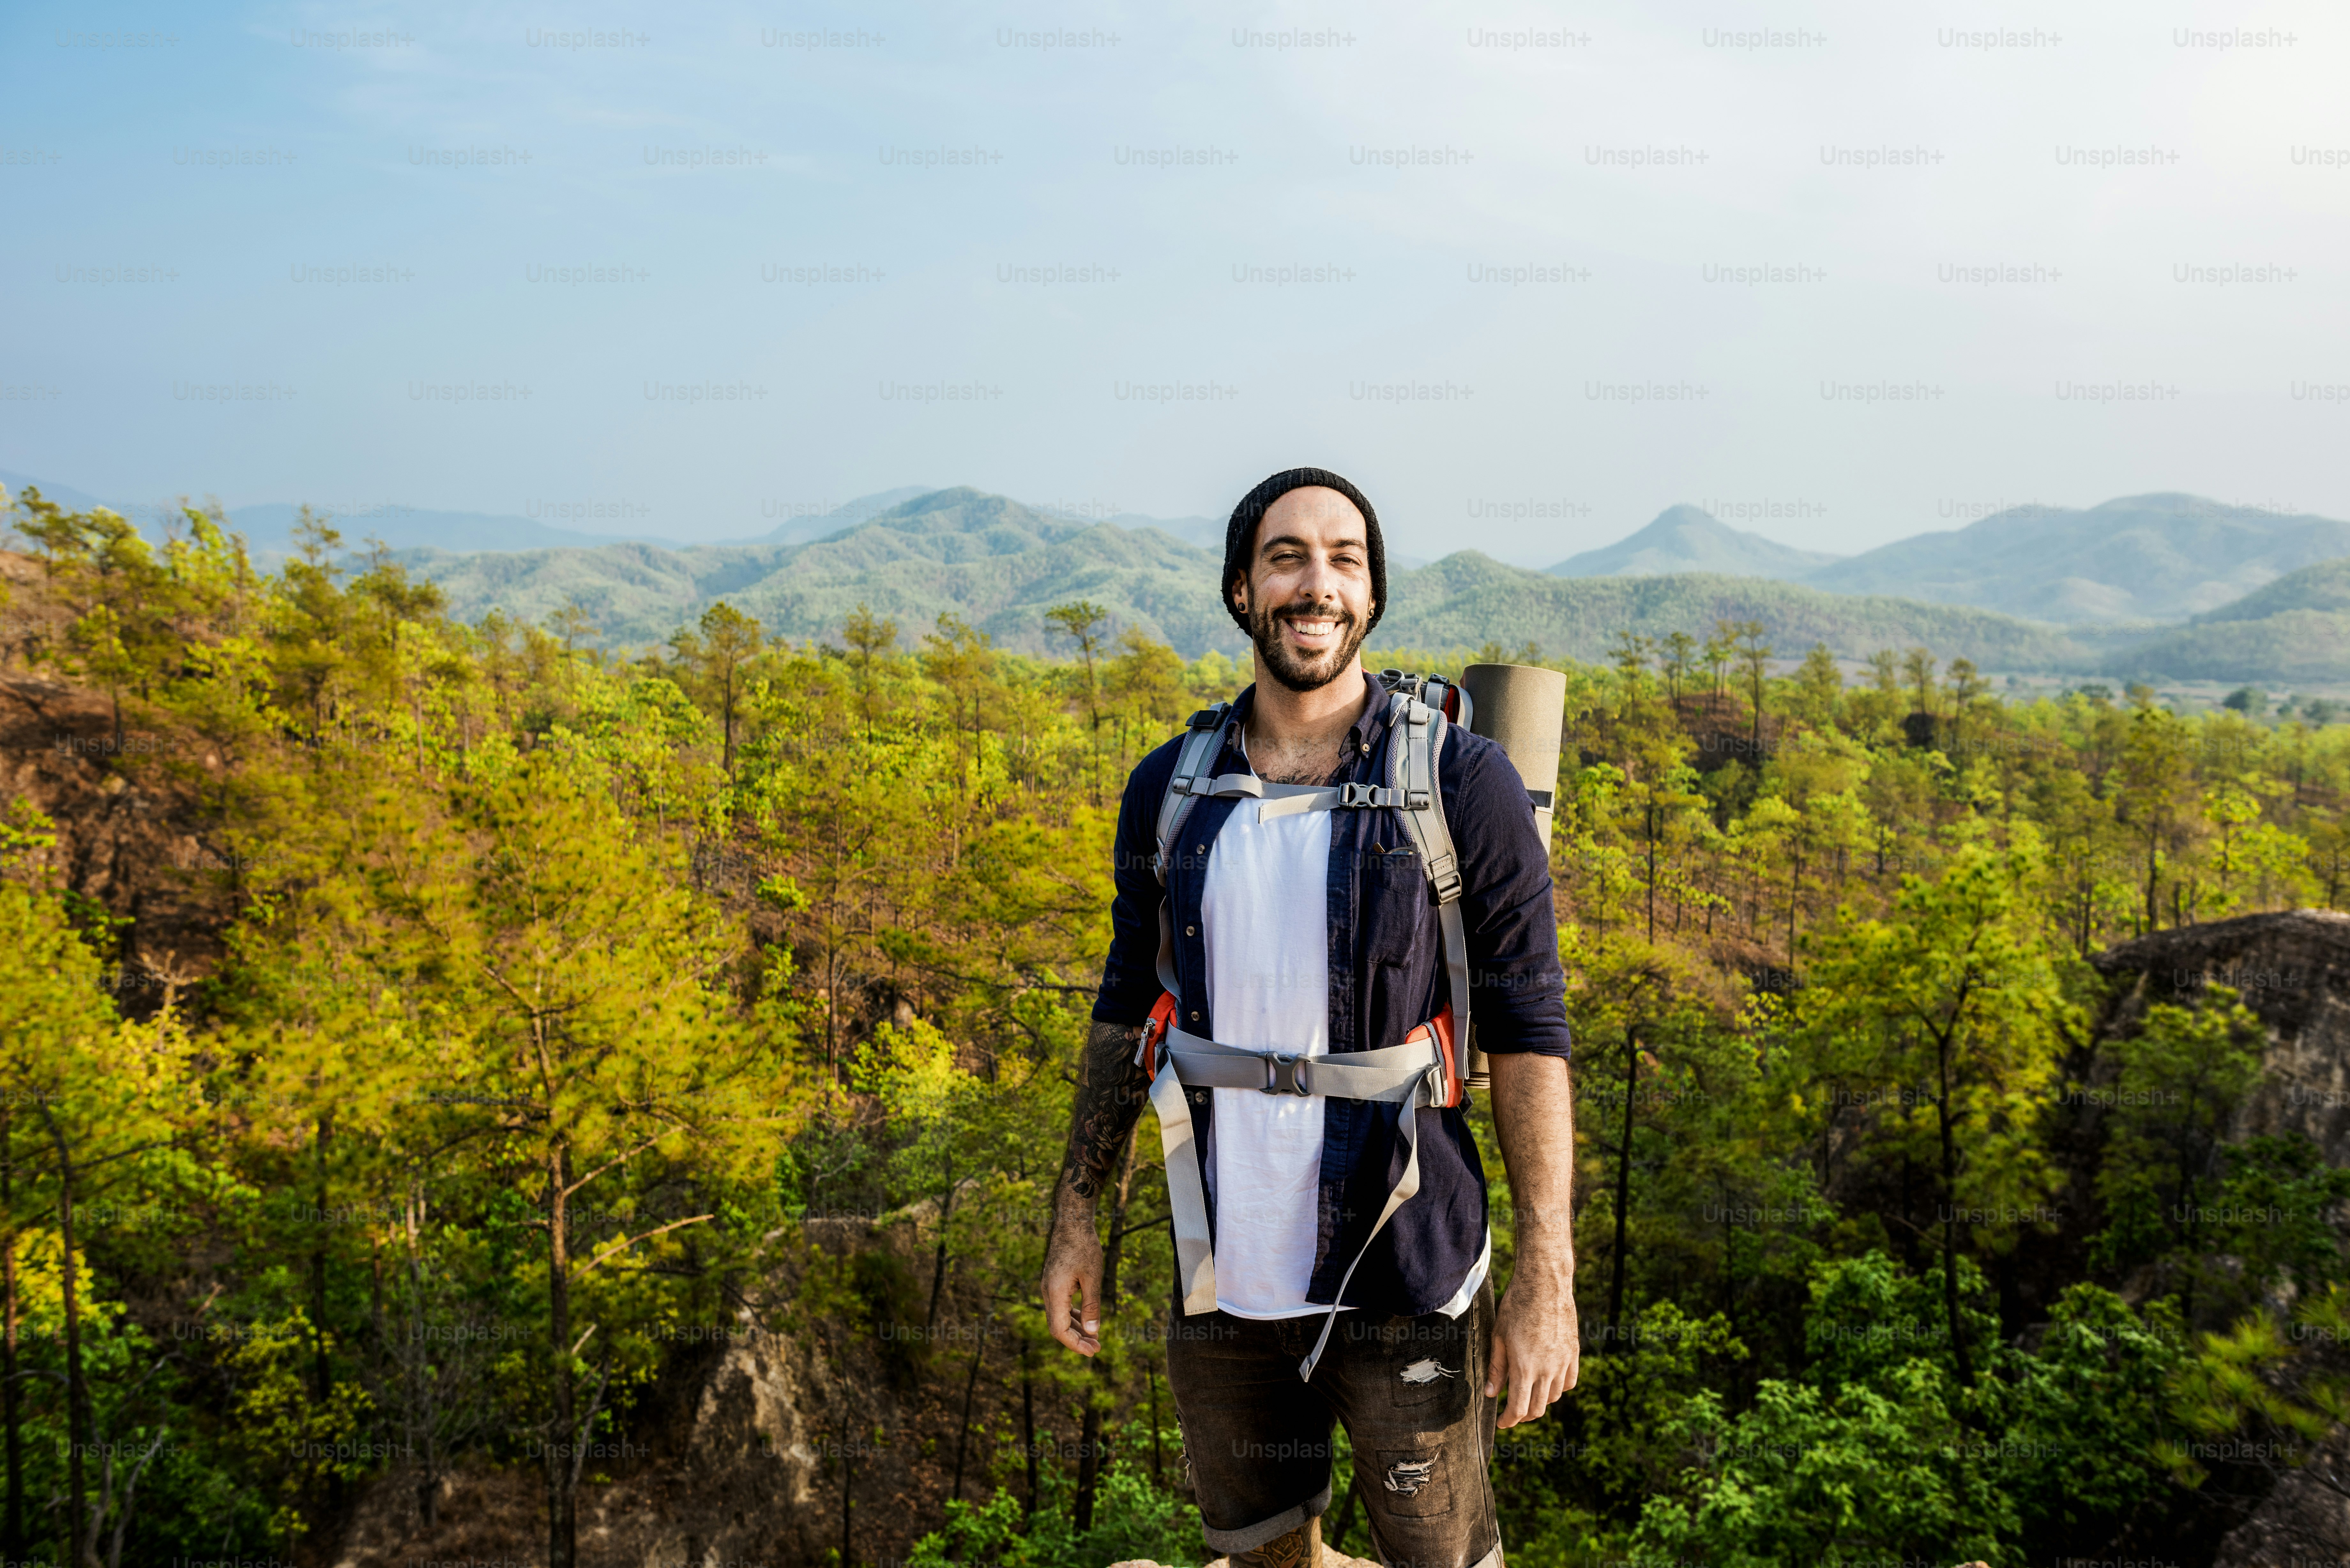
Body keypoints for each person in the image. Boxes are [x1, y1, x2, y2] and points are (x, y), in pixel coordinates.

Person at [1041, 467, 1579, 1568]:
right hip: (1222, 1275)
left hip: (1410, 1276)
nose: (1316, 584)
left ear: (1372, 597)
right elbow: (1123, 1008)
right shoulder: (1173, 788)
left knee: (1445, 1558)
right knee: (1265, 1552)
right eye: (1287, 557)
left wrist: (1548, 1276)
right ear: (1242, 590)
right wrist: (1077, 1214)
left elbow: (1529, 1033)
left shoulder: (1462, 783)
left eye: (1344, 560)